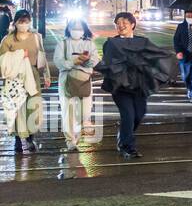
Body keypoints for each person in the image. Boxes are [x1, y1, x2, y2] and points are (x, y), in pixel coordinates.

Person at [94, 12, 175, 158]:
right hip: (120, 87)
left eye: (124, 22)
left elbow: (154, 55)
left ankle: (124, 134)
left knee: (139, 114)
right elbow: (110, 62)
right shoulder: (111, 43)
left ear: (133, 25)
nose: (121, 25)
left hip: (139, 86)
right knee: (128, 116)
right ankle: (127, 146)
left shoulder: (142, 42)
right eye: (118, 23)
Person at [0, 10, 49, 147]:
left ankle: (30, 136)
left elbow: (42, 56)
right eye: (21, 21)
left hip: (32, 75)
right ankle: (17, 140)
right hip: (15, 78)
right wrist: (19, 55)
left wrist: (46, 75)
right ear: (15, 23)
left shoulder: (35, 37)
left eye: (26, 21)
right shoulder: (8, 40)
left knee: (32, 107)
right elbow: (2, 61)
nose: (24, 24)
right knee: (17, 108)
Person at [53, 20, 99, 151]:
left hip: (84, 81)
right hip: (66, 81)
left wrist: (87, 60)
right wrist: (73, 61)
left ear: (84, 30)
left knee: (84, 112)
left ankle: (77, 133)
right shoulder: (62, 44)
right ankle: (70, 140)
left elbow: (95, 60)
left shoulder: (89, 43)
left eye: (80, 28)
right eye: (74, 28)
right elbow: (58, 62)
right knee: (68, 111)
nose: (77, 31)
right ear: (69, 29)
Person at [1, 47, 38, 155]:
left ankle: (18, 143)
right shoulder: (23, 57)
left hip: (9, 90)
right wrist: (32, 90)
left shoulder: (5, 57)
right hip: (22, 89)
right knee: (27, 114)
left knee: (15, 117)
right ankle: (27, 140)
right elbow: (29, 77)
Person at [172, 9, 192, 103]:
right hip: (184, 54)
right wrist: (178, 51)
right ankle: (189, 89)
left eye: (191, 16)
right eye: (187, 16)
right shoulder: (181, 26)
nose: (189, 17)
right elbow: (176, 40)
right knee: (185, 76)